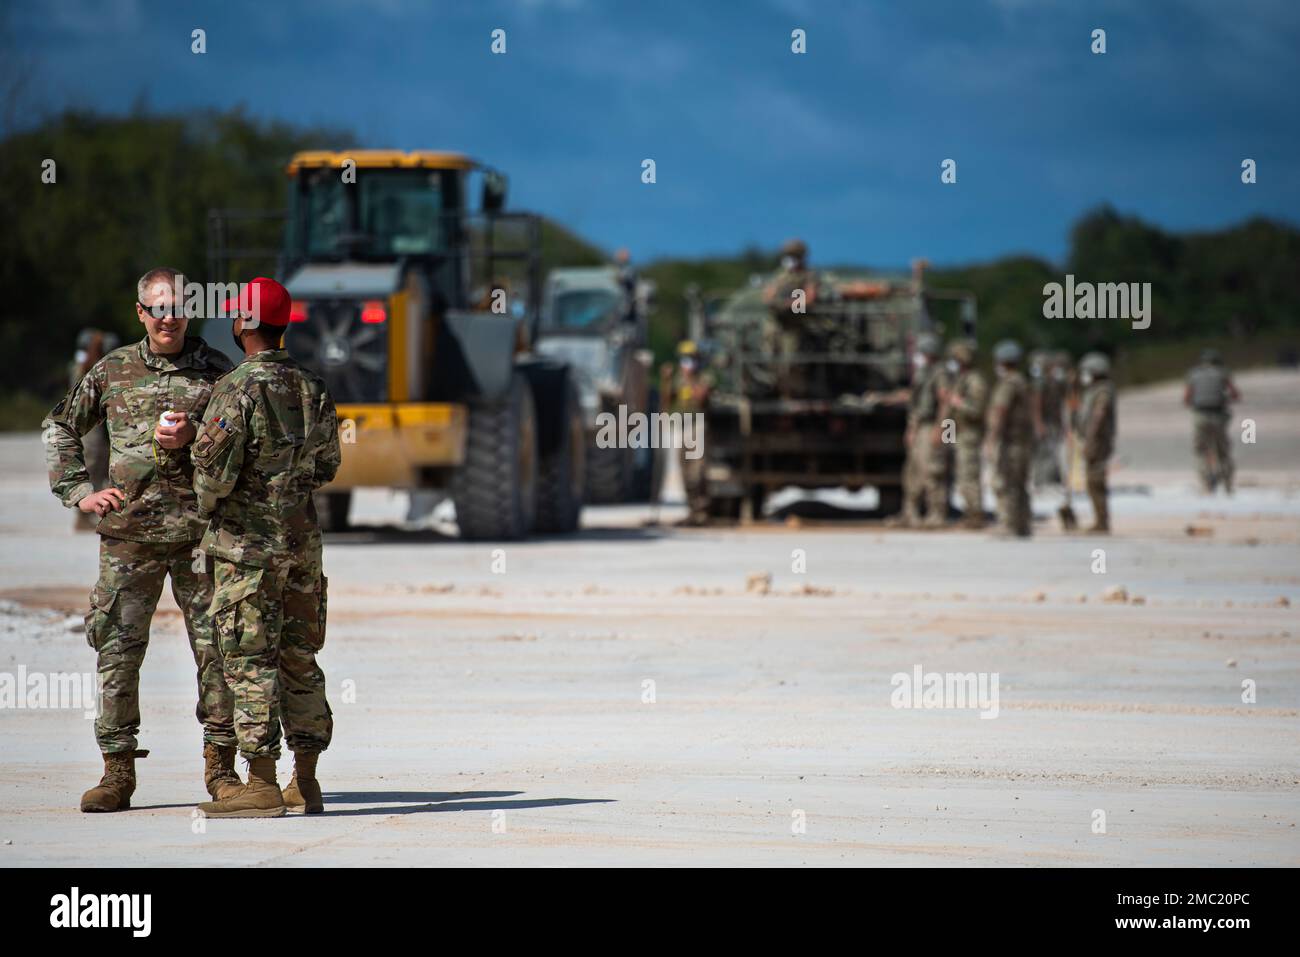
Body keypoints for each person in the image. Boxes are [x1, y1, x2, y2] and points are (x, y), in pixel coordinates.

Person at [42, 268, 237, 812]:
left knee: (218, 652)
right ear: (141, 313)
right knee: (118, 653)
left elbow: (244, 446)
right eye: (156, 308)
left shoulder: (219, 373)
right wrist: (79, 490)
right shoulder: (113, 370)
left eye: (175, 307)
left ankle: (222, 770)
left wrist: (197, 435)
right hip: (129, 537)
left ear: (189, 311)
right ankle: (116, 772)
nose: (167, 317)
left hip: (201, 537)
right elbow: (59, 426)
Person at [193, 277, 341, 818]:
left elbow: (212, 478)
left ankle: (260, 781)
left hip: (247, 552)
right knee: (301, 658)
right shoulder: (314, 386)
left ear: (244, 325)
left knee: (250, 661)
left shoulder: (236, 388)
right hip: (302, 547)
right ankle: (307, 781)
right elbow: (327, 466)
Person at [68, 329, 120, 531]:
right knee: (93, 466)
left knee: (104, 467)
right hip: (91, 427)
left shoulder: (90, 365)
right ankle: (83, 517)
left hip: (99, 426)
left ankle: (97, 513)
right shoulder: (87, 367)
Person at [896, 332, 948, 527]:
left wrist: (940, 429)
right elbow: (915, 404)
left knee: (932, 470)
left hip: (931, 425)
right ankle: (909, 513)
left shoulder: (940, 373)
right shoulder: (922, 372)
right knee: (912, 471)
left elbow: (945, 402)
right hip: (920, 427)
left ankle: (936, 513)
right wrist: (911, 430)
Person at [660, 340, 714, 527]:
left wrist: (690, 379)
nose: (687, 362)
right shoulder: (677, 378)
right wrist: (666, 381)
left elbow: (701, 396)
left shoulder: (704, 376)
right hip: (681, 426)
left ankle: (702, 511)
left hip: (697, 426)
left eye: (690, 358)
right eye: (684, 358)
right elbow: (667, 401)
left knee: (697, 471)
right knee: (684, 470)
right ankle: (692, 511)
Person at [984, 339, 1034, 538]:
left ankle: (1009, 524)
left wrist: (991, 438)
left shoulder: (1008, 384)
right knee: (1020, 483)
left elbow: (1000, 410)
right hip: (1022, 441)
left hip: (1010, 442)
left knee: (1007, 482)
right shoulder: (1022, 381)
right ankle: (1023, 524)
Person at [939, 339, 988, 528]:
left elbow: (976, 410)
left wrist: (957, 401)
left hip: (969, 435)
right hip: (957, 433)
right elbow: (950, 413)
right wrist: (946, 435)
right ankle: (969, 512)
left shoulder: (975, 380)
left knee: (969, 475)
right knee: (960, 475)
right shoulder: (960, 379)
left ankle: (975, 515)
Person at [1184, 349, 1241, 494]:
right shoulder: (1223, 373)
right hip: (1219, 416)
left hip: (1201, 416)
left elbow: (1186, 399)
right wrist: (1223, 399)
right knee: (1223, 451)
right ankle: (1228, 484)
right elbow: (1235, 395)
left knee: (1202, 451)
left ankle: (1207, 484)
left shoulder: (1194, 374)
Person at [1074, 352, 1117, 533]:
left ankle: (1102, 522)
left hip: (1098, 443)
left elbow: (1098, 416)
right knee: (1092, 481)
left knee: (1096, 481)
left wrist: (1090, 440)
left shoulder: (1103, 391)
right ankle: (1100, 520)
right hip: (1094, 441)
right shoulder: (1094, 391)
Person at [1030, 349, 1067, 488]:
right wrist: (1039, 424)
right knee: (1044, 453)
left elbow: (1058, 405)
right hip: (1045, 422)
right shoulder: (1040, 383)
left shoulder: (1053, 382)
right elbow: (1036, 405)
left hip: (1052, 422)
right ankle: (1043, 481)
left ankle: (1053, 479)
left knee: (1053, 451)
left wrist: (1061, 423)